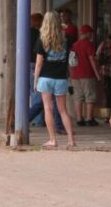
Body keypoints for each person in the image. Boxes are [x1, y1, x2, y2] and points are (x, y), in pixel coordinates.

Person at [34, 10, 76, 148]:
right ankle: (71, 140)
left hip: (45, 78)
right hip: (61, 78)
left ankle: (53, 140)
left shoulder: (42, 40)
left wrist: (35, 80)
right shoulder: (66, 39)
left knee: (48, 108)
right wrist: (60, 26)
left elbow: (39, 63)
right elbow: (64, 29)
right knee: (63, 110)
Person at [70, 24, 101, 126]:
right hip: (87, 74)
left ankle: (79, 119)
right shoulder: (89, 44)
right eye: (91, 33)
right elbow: (92, 59)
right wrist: (97, 74)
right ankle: (89, 118)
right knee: (90, 96)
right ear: (87, 33)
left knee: (78, 97)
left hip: (75, 74)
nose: (92, 35)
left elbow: (71, 60)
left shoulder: (74, 45)